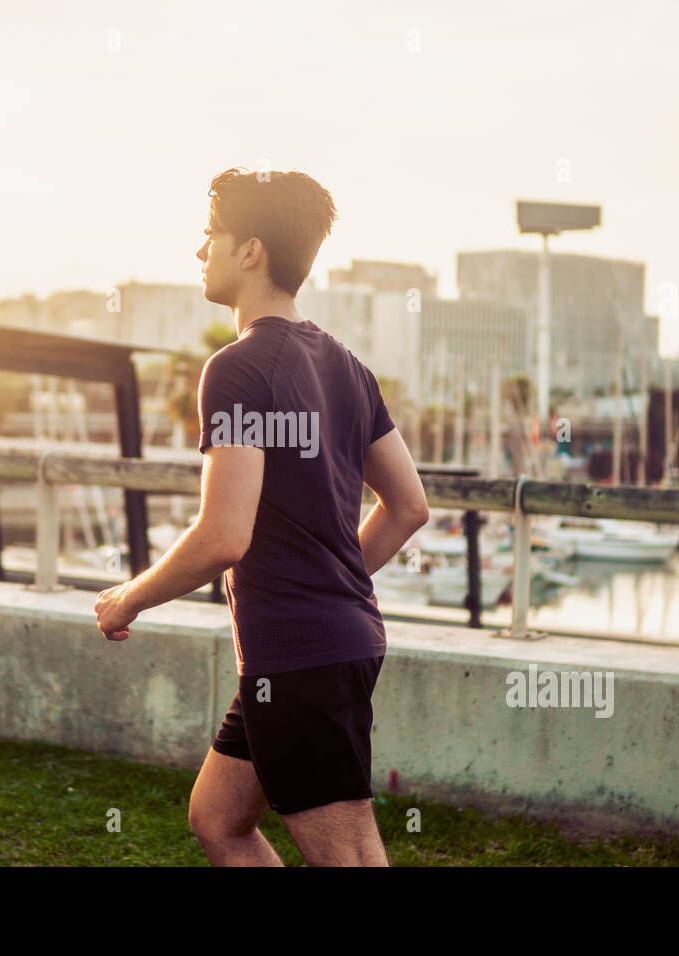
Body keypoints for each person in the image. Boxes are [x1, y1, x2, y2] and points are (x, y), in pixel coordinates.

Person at [94, 167, 429, 866]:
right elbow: (409, 508)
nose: (200, 251)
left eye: (210, 235)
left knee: (349, 857)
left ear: (251, 251)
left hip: (301, 653)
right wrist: (332, 579)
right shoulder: (348, 366)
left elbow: (223, 535)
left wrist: (129, 598)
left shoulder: (238, 368)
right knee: (218, 819)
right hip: (319, 647)